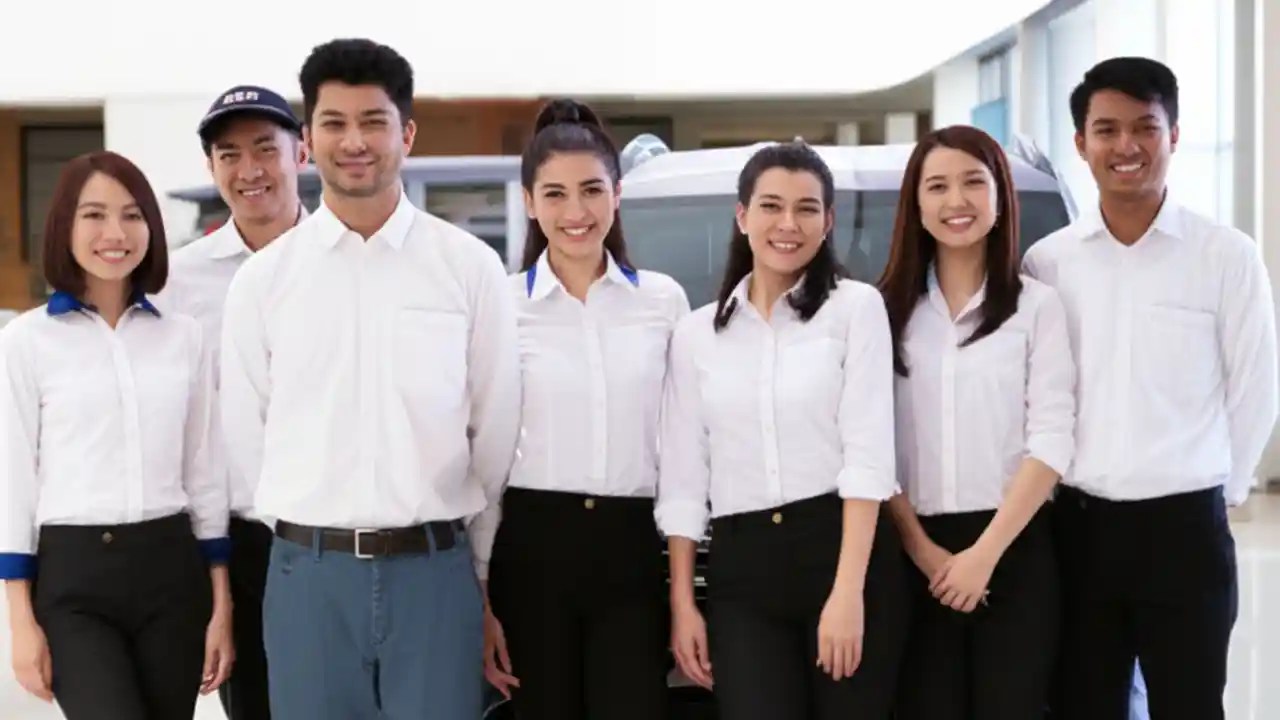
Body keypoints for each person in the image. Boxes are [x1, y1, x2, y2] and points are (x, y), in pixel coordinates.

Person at [217, 38, 522, 720]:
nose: (354, 141)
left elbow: (495, 426)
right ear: (307, 141)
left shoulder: (467, 269)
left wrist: (475, 567)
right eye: (334, 123)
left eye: (373, 122)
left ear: (406, 134)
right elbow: (246, 434)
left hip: (435, 576)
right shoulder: (264, 283)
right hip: (307, 578)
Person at [1023, 56, 1278, 720]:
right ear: (1081, 143)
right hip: (1080, 531)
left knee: (1190, 705)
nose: (1126, 146)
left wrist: (1223, 491)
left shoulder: (1225, 255)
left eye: (1146, 127)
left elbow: (1256, 386)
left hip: (1185, 531)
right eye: (1106, 130)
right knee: (1083, 703)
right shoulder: (1048, 262)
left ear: (1174, 135)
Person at [657, 140, 910, 719]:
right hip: (742, 570)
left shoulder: (855, 310)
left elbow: (868, 456)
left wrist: (848, 593)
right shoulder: (696, 336)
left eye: (807, 208)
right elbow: (683, 478)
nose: (788, 224)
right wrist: (682, 603)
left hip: (842, 554)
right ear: (742, 216)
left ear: (828, 222)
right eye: (771, 206)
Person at [0, 150, 234, 719]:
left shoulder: (184, 337)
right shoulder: (27, 342)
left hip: (171, 573)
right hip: (74, 580)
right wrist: (20, 621)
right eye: (94, 215)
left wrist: (220, 604)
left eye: (132, 215)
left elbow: (204, 472)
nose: (115, 233)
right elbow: (13, 480)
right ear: (65, 227)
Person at [482, 98, 690, 720]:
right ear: (528, 201)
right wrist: (483, 594)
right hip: (532, 549)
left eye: (592, 190)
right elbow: (484, 453)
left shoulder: (662, 301)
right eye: (555, 194)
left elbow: (681, 449)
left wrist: (682, 597)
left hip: (631, 550)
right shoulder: (500, 304)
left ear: (617, 194)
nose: (576, 213)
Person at [876, 125, 1075, 720]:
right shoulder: (880, 311)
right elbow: (867, 445)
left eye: (972, 183)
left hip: (1014, 550)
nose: (955, 201)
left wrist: (984, 554)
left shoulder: (1038, 307)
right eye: (937, 186)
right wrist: (924, 552)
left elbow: (1052, 438)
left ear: (999, 196)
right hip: (912, 557)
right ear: (915, 204)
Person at [154, 83, 308, 720]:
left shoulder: (343, 260)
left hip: (338, 532)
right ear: (210, 168)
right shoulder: (177, 282)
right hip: (239, 541)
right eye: (229, 154)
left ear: (301, 153)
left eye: (266, 149)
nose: (250, 171)